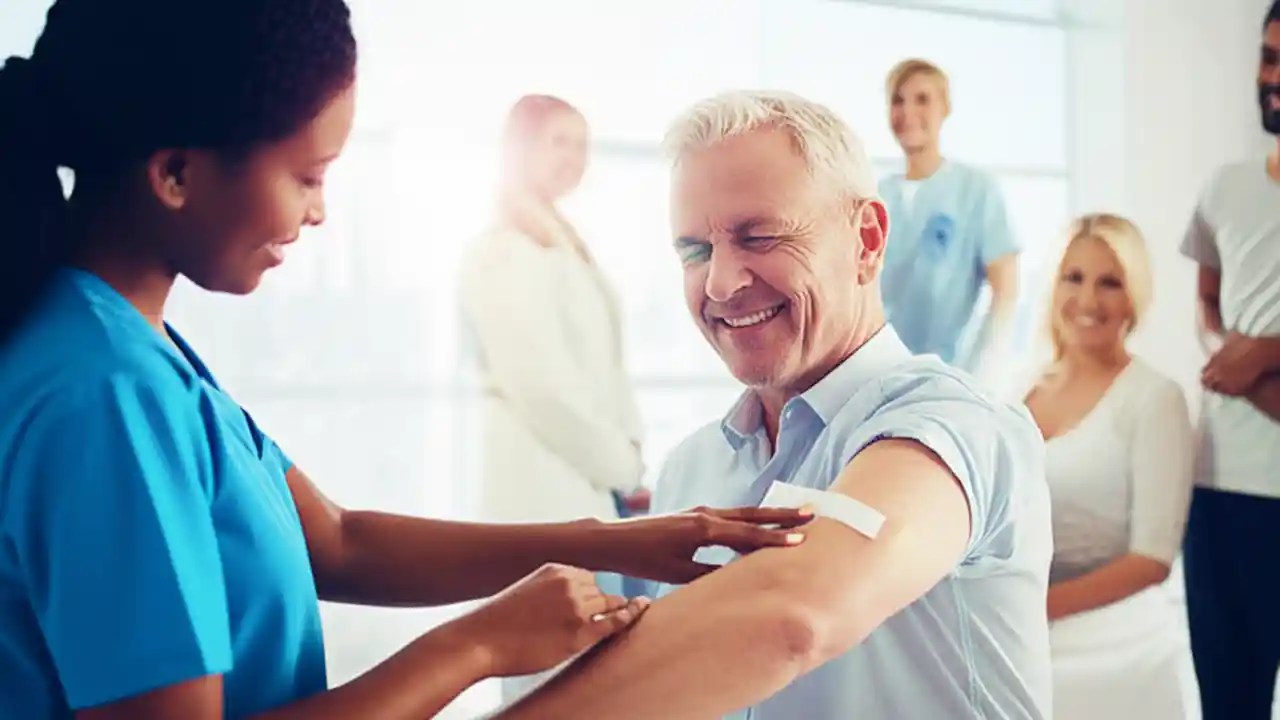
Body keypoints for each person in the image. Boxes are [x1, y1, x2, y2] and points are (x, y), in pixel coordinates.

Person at [0, 4, 813, 719]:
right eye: (307, 176)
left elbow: (342, 543)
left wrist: (622, 541)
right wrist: (476, 646)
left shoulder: (131, 348)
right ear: (174, 173)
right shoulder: (103, 393)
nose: (319, 212)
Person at [497, 90, 1052, 720]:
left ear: (867, 240)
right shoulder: (693, 468)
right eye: (695, 252)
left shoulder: (957, 428)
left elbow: (794, 617)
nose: (720, 284)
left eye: (758, 236)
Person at [459, 94, 652, 585]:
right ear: (519, 148)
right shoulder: (504, 252)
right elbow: (542, 388)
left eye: (582, 144)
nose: (573, 157)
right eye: (558, 141)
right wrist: (620, 465)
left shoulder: (560, 243)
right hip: (545, 487)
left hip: (589, 482)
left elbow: (599, 372)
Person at [1018, 215, 1196, 719]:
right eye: (1073, 277)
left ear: (1135, 296)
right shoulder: (1016, 386)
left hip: (1107, 643)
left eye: (1110, 283)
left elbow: (1152, 559)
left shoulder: (1155, 399)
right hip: (1009, 619)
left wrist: (1035, 608)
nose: (1089, 300)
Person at [1180, 3, 1280, 717]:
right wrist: (1227, 363)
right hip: (1221, 488)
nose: (1274, 78)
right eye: (1271, 57)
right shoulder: (1226, 186)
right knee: (1229, 702)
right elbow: (1206, 307)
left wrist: (1266, 355)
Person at [878, 58, 1020, 387]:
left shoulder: (975, 190)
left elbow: (1006, 293)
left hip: (953, 378)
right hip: (879, 379)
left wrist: (980, 377)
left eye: (923, 99)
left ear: (946, 108)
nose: (908, 111)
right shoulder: (875, 196)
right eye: (898, 100)